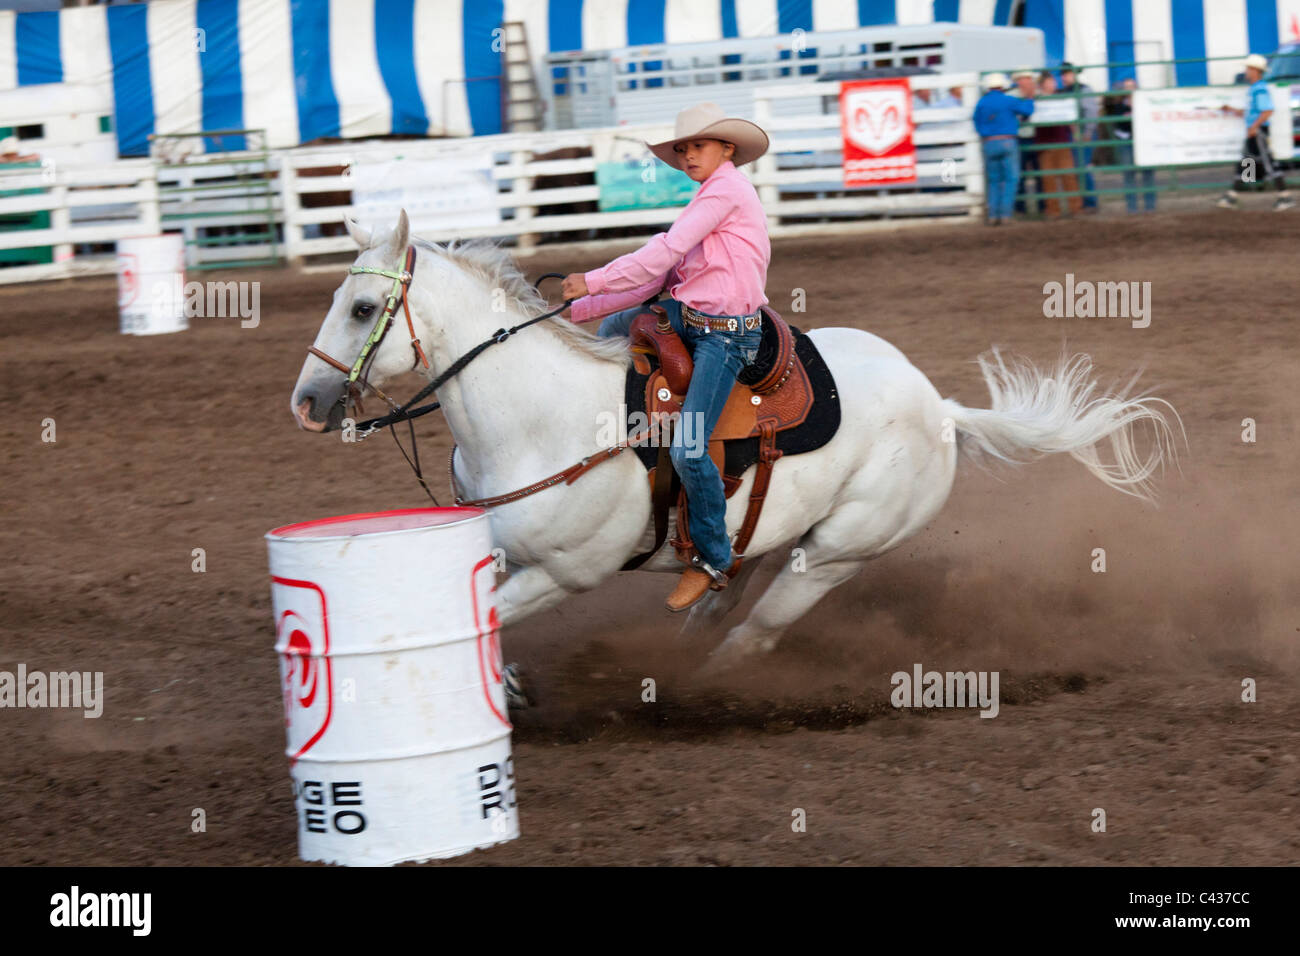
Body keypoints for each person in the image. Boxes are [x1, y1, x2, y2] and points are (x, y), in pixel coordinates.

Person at [560, 102, 770, 612]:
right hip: (688, 314)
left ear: (727, 149)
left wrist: (593, 281)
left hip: (726, 335)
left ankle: (715, 557)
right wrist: (579, 310)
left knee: (690, 448)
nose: (688, 154)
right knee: (614, 325)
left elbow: (664, 252)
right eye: (683, 148)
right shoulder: (709, 196)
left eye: (698, 145)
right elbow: (658, 278)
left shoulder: (725, 191)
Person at [1216, 54, 1294, 211]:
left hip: (1257, 132)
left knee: (1267, 163)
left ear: (1255, 71)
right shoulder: (1256, 89)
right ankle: (1233, 195)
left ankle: (1285, 197)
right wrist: (1232, 110)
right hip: (1255, 131)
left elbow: (1267, 110)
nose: (1246, 71)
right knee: (1247, 162)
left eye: (1248, 69)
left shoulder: (1259, 89)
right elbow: (1255, 111)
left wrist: (1254, 127)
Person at [973, 72, 1033, 225]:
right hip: (1007, 141)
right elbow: (1027, 110)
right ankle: (1005, 214)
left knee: (993, 180)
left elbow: (977, 122)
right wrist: (1030, 98)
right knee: (1010, 179)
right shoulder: (1008, 100)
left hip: (989, 143)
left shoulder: (982, 103)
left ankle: (994, 215)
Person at [1104, 78, 1156, 213]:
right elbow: (1120, 123)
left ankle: (1150, 206)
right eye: (1127, 87)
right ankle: (1132, 207)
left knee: (1148, 173)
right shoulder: (1119, 105)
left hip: (1144, 142)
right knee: (1128, 174)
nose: (1130, 89)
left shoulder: (1146, 104)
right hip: (1127, 141)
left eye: (1132, 86)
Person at [1034, 71, 1082, 218]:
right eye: (1049, 82)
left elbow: (1070, 117)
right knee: (1049, 179)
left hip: (1060, 141)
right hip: (1046, 143)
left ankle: (1075, 208)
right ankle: (1054, 210)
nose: (1052, 85)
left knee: (1068, 176)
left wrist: (1075, 132)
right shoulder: (1038, 100)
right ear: (1042, 85)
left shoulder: (1060, 99)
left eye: (1053, 82)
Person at [1058, 62, 1100, 212]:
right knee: (1077, 167)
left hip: (1082, 133)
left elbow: (1091, 113)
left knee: (1081, 166)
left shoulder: (1083, 90)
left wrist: (1087, 132)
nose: (1064, 77)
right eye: (1063, 74)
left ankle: (1090, 202)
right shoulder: (1066, 91)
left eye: (1067, 73)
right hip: (1072, 133)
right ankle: (1084, 202)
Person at [1009, 68, 1040, 214]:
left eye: (1029, 78)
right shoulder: (1011, 96)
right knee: (1019, 174)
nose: (1027, 81)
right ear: (1018, 81)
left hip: (1035, 136)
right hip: (1019, 138)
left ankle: (1042, 206)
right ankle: (1020, 207)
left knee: (1039, 173)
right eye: (1024, 78)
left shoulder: (1037, 94)